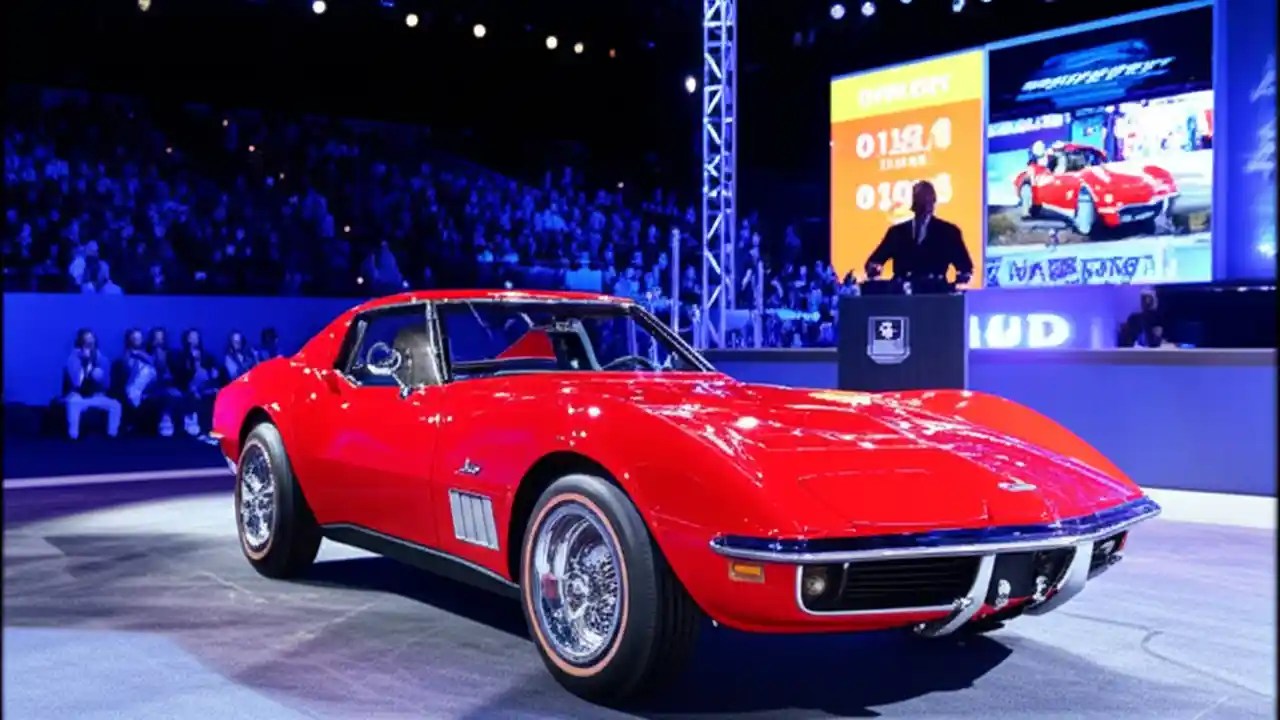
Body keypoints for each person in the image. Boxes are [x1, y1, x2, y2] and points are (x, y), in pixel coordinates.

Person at [865, 180, 974, 285]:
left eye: (928, 199)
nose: (924, 203)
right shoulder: (897, 232)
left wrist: (960, 279)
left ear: (934, 202)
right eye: (920, 199)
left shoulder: (948, 232)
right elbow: (874, 261)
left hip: (935, 292)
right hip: (902, 291)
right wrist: (873, 269)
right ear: (913, 202)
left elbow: (965, 268)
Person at [62, 328, 122, 439]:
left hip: (96, 395)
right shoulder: (73, 359)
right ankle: (73, 435)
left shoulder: (102, 359)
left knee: (115, 405)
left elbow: (107, 385)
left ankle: (112, 434)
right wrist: (84, 364)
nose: (89, 342)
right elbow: (76, 382)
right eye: (86, 339)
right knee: (73, 403)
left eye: (91, 339)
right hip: (78, 395)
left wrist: (100, 378)